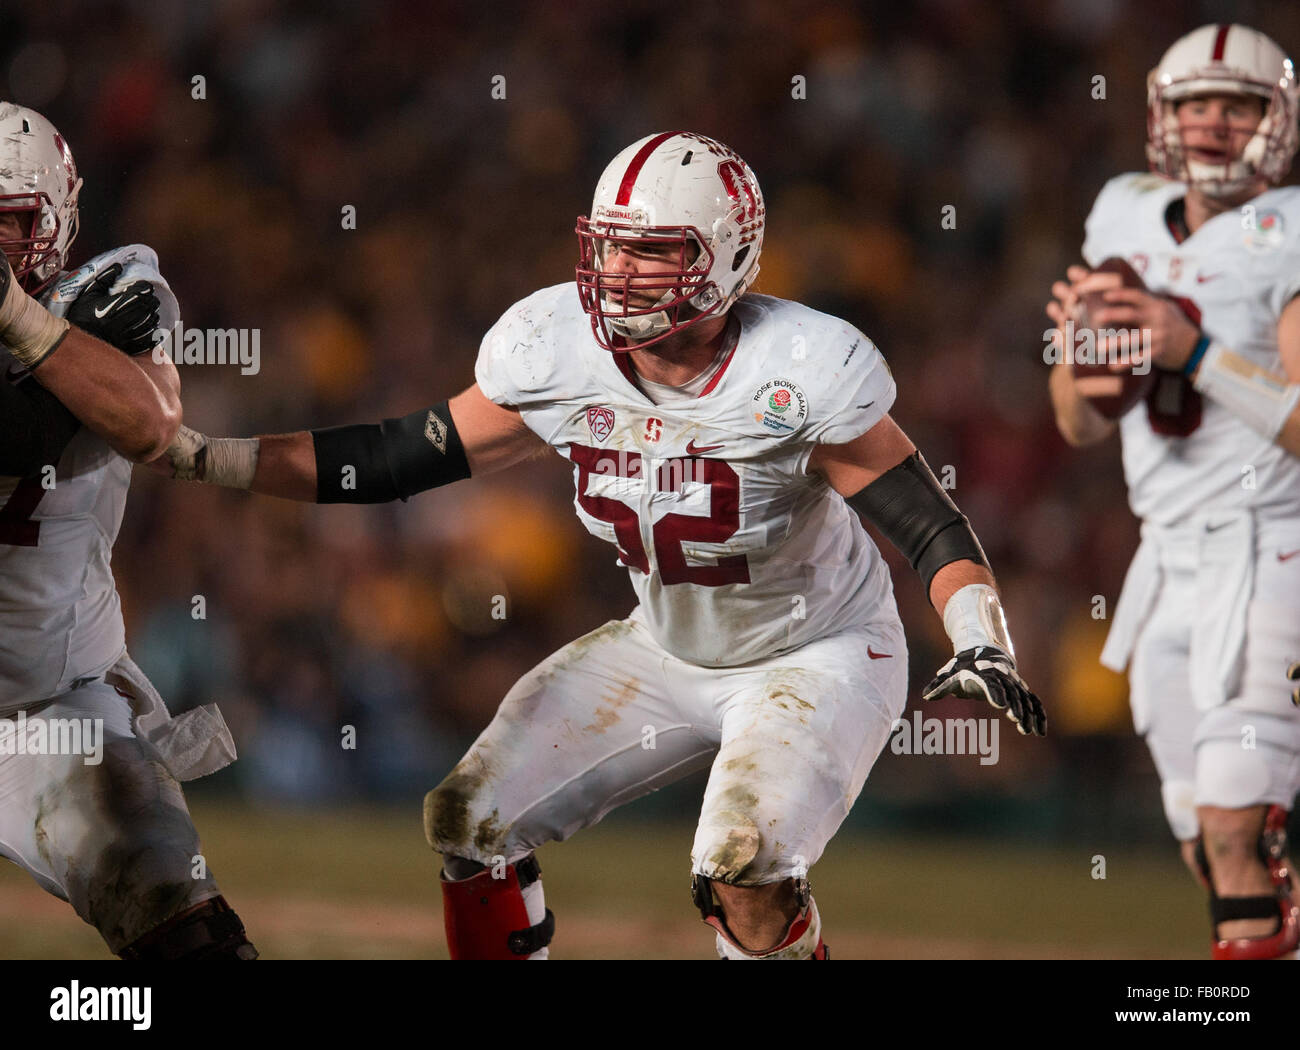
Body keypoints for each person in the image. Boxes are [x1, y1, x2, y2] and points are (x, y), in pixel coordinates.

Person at [161, 131, 1045, 959]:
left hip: (816, 655)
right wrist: (215, 458)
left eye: (653, 250)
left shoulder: (803, 368)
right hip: (662, 647)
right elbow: (397, 456)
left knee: (743, 866)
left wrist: (979, 635)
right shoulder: (557, 349)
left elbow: (929, 525)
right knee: (469, 824)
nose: (619, 273)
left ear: (727, 257)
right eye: (610, 246)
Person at [1046, 25, 1300, 959]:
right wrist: (1083, 344)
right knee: (1207, 836)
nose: (1213, 123)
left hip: (1275, 550)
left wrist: (1191, 350)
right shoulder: (1123, 213)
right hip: (1167, 559)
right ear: (1162, 112)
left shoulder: (1290, 231)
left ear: (1277, 120)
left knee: (1238, 826)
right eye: (1196, 102)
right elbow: (1077, 421)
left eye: (1239, 104)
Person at [0, 102, 256, 959]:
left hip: (49, 707)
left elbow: (148, 425)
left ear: (57, 218)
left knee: (183, 932)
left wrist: (15, 313)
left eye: (5, 220)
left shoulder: (116, 292)